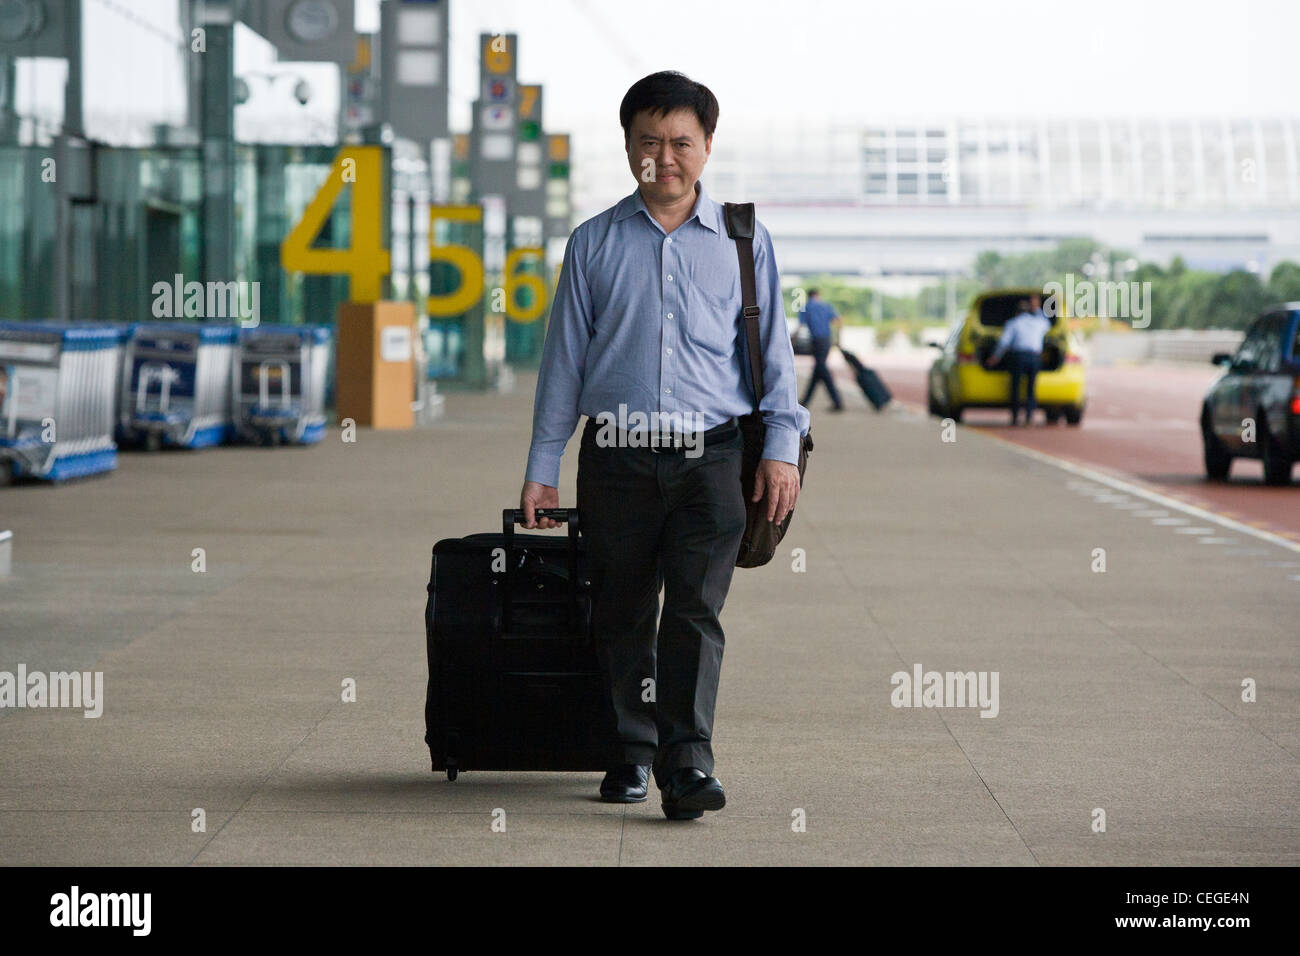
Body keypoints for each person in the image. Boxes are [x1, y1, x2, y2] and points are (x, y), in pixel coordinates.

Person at [519, 71, 809, 820]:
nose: (666, 157)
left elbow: (773, 354)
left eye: (681, 141)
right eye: (649, 142)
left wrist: (781, 443)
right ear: (627, 149)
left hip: (713, 458)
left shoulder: (745, 242)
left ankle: (687, 761)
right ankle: (627, 749)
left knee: (693, 611)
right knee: (618, 608)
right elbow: (563, 367)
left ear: (707, 146)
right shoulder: (593, 244)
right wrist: (541, 470)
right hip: (615, 457)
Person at [984, 296, 1051, 425]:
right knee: (1031, 387)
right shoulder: (1039, 323)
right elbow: (1046, 323)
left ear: (1016, 312)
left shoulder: (1013, 323)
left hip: (1018, 357)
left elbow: (1004, 343)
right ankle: (1029, 416)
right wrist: (1037, 308)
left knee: (1015, 387)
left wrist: (995, 357)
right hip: (1035, 357)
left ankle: (1015, 417)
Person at [798, 289, 843, 411]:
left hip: (816, 342)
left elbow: (801, 326)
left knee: (821, 369)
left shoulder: (805, 307)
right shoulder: (826, 306)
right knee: (819, 370)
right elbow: (838, 320)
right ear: (818, 295)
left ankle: (837, 402)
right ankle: (806, 401)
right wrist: (838, 339)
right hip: (826, 341)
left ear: (808, 296)